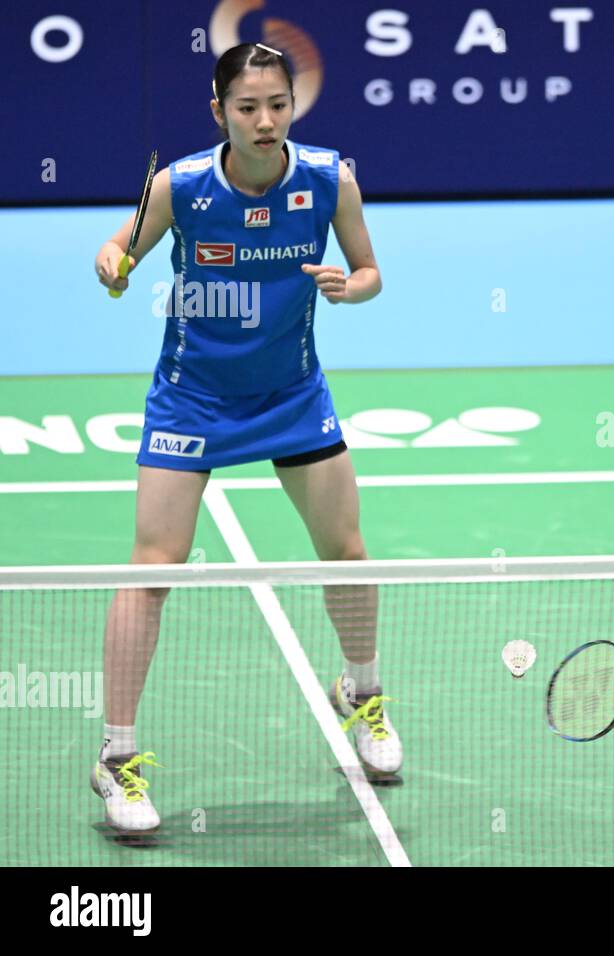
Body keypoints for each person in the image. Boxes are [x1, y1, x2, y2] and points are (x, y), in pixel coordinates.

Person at [90, 42, 399, 836]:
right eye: (248, 107)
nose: (266, 122)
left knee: (349, 549)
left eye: (278, 105)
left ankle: (361, 694)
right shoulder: (182, 186)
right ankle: (116, 757)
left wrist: (349, 287)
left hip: (292, 393)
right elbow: (120, 245)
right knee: (152, 567)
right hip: (192, 398)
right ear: (219, 112)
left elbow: (370, 272)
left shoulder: (330, 179)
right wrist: (114, 263)